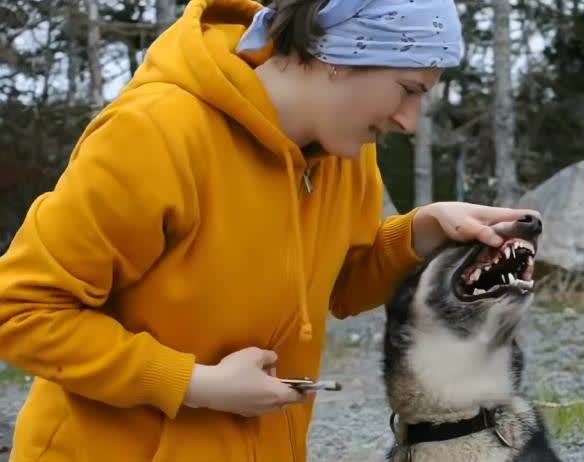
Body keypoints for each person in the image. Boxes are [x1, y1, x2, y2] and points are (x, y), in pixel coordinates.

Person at [0, 0, 540, 461]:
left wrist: (420, 231)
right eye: (406, 89)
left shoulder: (344, 156)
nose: (409, 120)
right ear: (339, 55)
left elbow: (342, 283)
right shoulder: (155, 135)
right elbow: (21, 309)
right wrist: (193, 385)